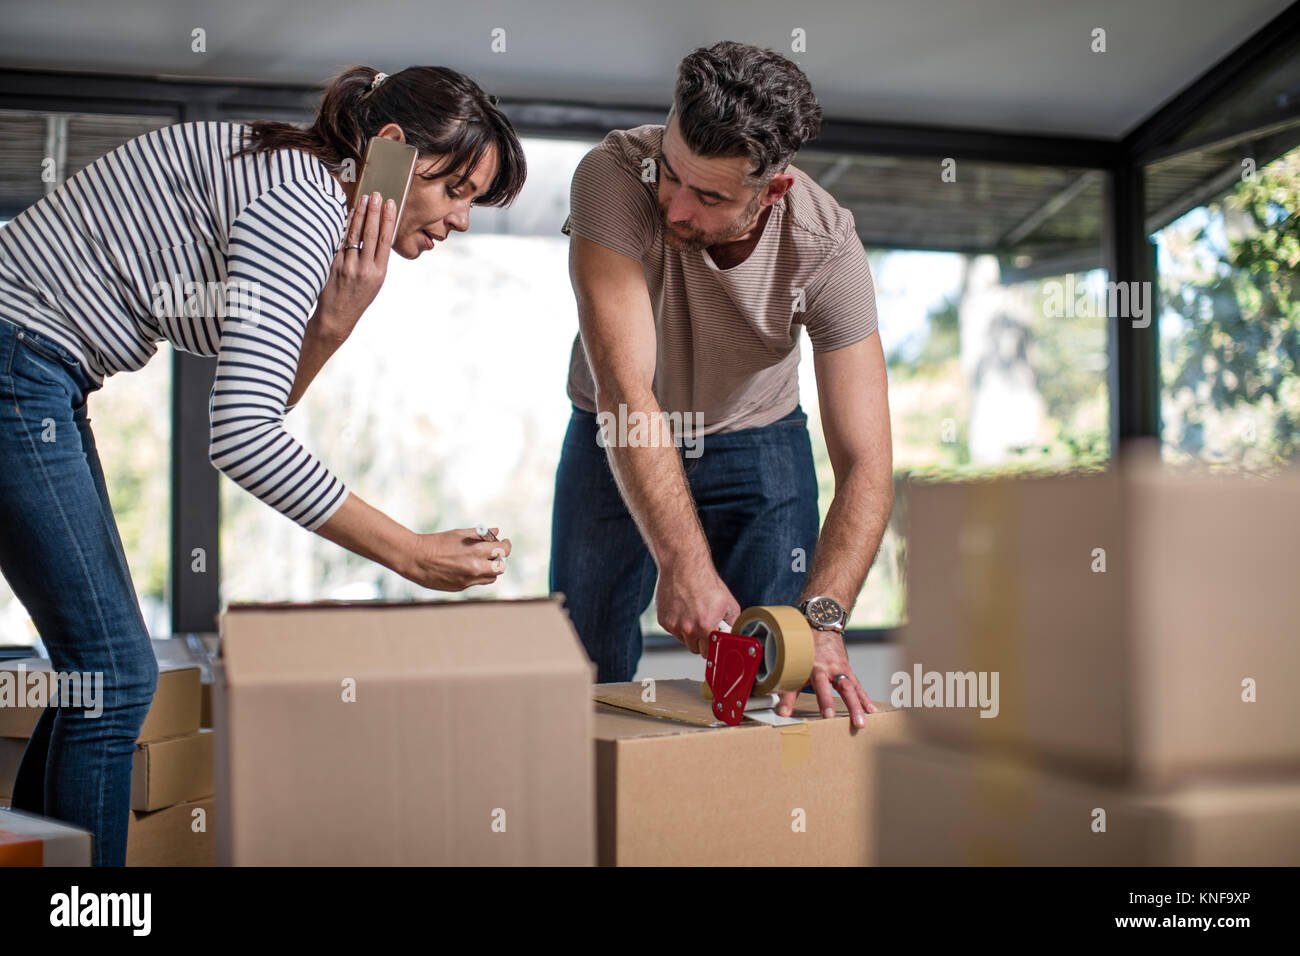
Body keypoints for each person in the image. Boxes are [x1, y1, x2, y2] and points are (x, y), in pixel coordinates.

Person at [0, 64, 525, 865]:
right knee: (113, 675)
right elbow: (242, 438)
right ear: (390, 149)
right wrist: (411, 554)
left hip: (37, 372)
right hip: (19, 363)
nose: (459, 219)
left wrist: (333, 324)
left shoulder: (293, 181)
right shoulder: (301, 208)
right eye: (455, 188)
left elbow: (256, 410)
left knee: (97, 675)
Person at [550, 42, 893, 724]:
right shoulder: (613, 177)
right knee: (581, 671)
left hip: (758, 438)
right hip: (615, 429)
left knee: (776, 679)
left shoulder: (827, 248)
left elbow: (867, 464)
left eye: (708, 196)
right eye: (672, 175)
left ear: (774, 189)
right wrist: (681, 561)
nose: (675, 209)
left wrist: (825, 620)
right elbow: (626, 391)